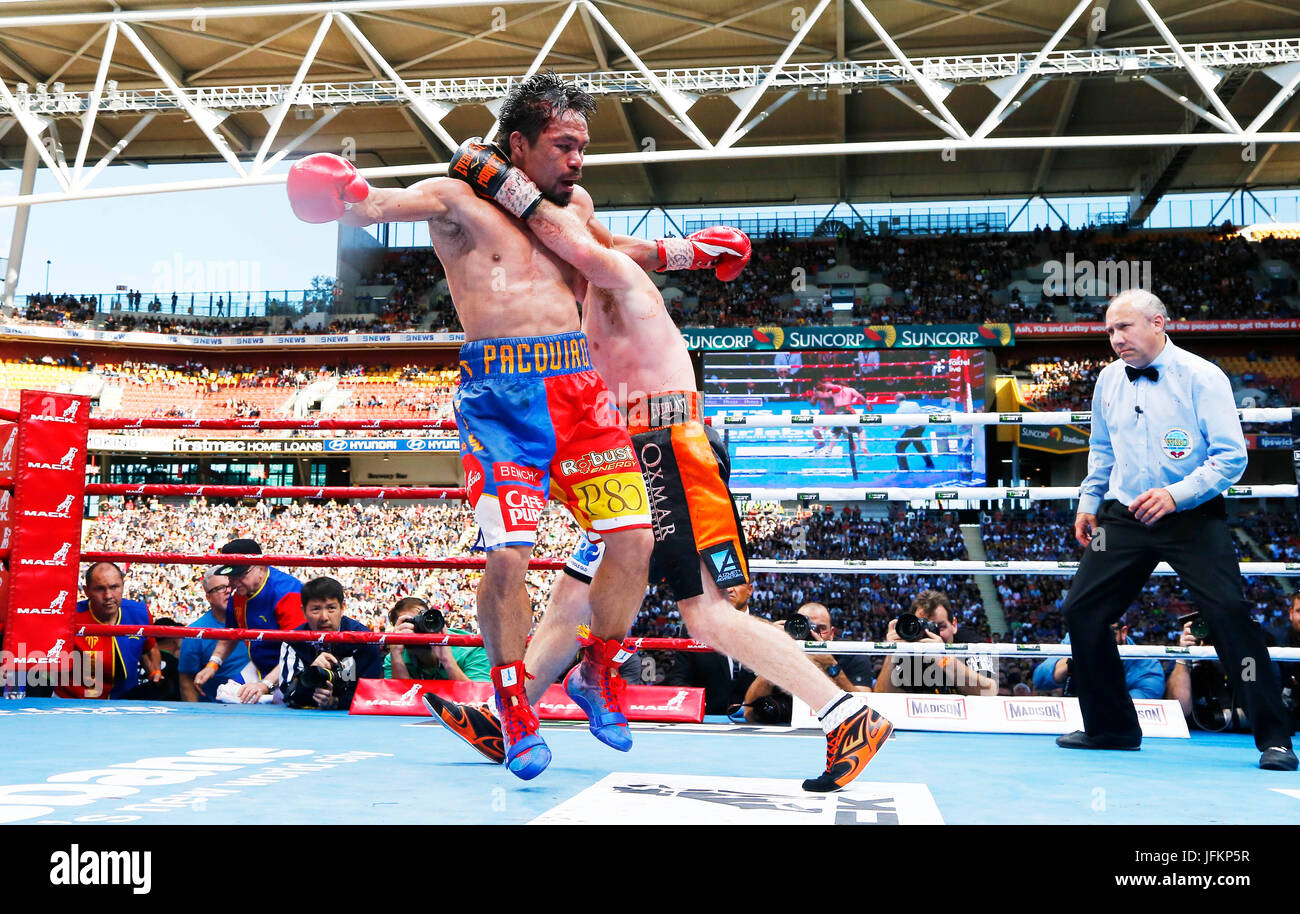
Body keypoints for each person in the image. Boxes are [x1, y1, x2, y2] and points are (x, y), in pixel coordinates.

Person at [290, 73, 738, 779]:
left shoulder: (575, 203)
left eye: (583, 147)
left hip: (578, 387)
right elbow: (378, 204)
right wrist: (342, 191)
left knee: (634, 539)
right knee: (507, 555)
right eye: (564, 146)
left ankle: (597, 669)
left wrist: (695, 253)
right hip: (501, 400)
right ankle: (514, 705)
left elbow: (615, 250)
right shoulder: (454, 199)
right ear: (520, 143)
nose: (577, 161)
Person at [423, 140, 891, 792]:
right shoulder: (570, 294)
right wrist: (694, 252)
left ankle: (846, 712)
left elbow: (592, 244)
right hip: (627, 455)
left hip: (666, 448)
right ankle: (509, 718)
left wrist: (501, 180)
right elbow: (600, 243)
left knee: (708, 616)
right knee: (571, 599)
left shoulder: (608, 275)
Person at [1059, 288, 1295, 770]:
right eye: (1109, 331)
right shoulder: (1108, 379)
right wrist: (1089, 500)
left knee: (1229, 614)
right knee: (1082, 610)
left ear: (1158, 323)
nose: (1115, 339)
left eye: (1124, 327)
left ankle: (1275, 737)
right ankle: (1111, 728)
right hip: (1125, 515)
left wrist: (1176, 494)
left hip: (1192, 513)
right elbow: (1101, 448)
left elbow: (1232, 457)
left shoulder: (1202, 376)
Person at [192, 538, 304, 704]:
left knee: (279, 703)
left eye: (240, 574)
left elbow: (299, 650)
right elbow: (231, 634)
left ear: (261, 567)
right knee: (225, 697)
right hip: (260, 666)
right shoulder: (239, 594)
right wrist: (212, 665)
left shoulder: (288, 593)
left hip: (293, 667)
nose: (234, 582)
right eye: (230, 575)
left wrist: (265, 685)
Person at [741, 602, 875, 723]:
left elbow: (866, 711)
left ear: (832, 633)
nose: (813, 633)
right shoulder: (782, 651)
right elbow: (749, 714)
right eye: (805, 627)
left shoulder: (852, 654)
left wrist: (831, 665)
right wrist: (776, 658)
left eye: (821, 628)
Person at [55, 563, 162, 700]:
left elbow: (149, 647)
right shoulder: (69, 617)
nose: (108, 595)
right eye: (100, 589)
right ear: (86, 591)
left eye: (114, 587)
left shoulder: (140, 613)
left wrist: (155, 671)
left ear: (123, 585)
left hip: (124, 701)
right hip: (74, 701)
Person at [275, 576, 385, 710]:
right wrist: (310, 674)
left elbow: (370, 694)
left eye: (331, 608)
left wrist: (337, 701)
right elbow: (288, 694)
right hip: (305, 720)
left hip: (353, 720)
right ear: (303, 612)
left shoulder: (364, 639)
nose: (324, 617)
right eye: (316, 609)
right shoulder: (293, 641)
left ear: (342, 608)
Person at [874, 589, 997, 696]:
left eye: (939, 627)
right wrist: (892, 654)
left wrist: (943, 658)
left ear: (954, 625)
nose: (930, 635)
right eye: (923, 627)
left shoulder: (972, 644)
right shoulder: (908, 647)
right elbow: (881, 699)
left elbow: (990, 691)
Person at [1031, 618, 1165, 700]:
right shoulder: (1078, 638)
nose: (1100, 638)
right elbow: (1039, 679)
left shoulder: (1147, 665)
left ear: (1123, 633)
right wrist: (1075, 658)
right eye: (1094, 631)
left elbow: (1137, 708)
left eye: (1107, 632)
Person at [179, 572, 253, 702]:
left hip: (262, 700)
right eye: (219, 588)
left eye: (231, 586)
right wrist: (193, 715)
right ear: (208, 597)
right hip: (219, 710)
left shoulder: (257, 619)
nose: (228, 591)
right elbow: (186, 679)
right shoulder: (195, 632)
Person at [386, 596, 490, 682]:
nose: (417, 629)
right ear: (397, 630)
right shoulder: (394, 657)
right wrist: (396, 655)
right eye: (409, 623)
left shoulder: (472, 648)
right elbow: (400, 700)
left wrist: (447, 660)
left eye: (421, 620)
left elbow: (478, 700)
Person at [806, 374, 869, 468]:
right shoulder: (820, 391)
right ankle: (822, 442)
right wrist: (811, 396)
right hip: (823, 414)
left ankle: (850, 445)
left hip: (834, 413)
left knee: (841, 431)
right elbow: (813, 403)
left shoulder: (833, 392)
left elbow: (828, 395)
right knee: (815, 431)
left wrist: (819, 392)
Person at [892, 392, 935, 472]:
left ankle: (903, 469)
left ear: (897, 400)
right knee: (918, 444)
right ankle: (930, 463)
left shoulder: (899, 410)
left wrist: (896, 428)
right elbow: (921, 415)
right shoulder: (914, 404)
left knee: (899, 447)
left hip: (912, 430)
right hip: (921, 427)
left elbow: (901, 426)